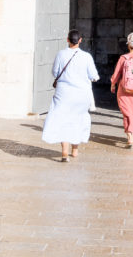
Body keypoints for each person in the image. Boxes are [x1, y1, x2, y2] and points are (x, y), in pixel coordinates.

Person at [42, 29, 99, 162]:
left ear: (67, 40)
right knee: (77, 119)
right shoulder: (86, 57)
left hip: (64, 94)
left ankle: (64, 152)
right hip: (81, 94)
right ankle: (75, 150)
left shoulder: (61, 54)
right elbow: (94, 76)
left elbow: (55, 72)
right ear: (80, 40)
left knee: (63, 120)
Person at [110, 32, 133, 148]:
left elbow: (116, 74)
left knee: (127, 114)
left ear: (128, 45)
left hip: (124, 90)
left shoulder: (123, 58)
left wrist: (113, 84)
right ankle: (131, 134)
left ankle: (130, 136)